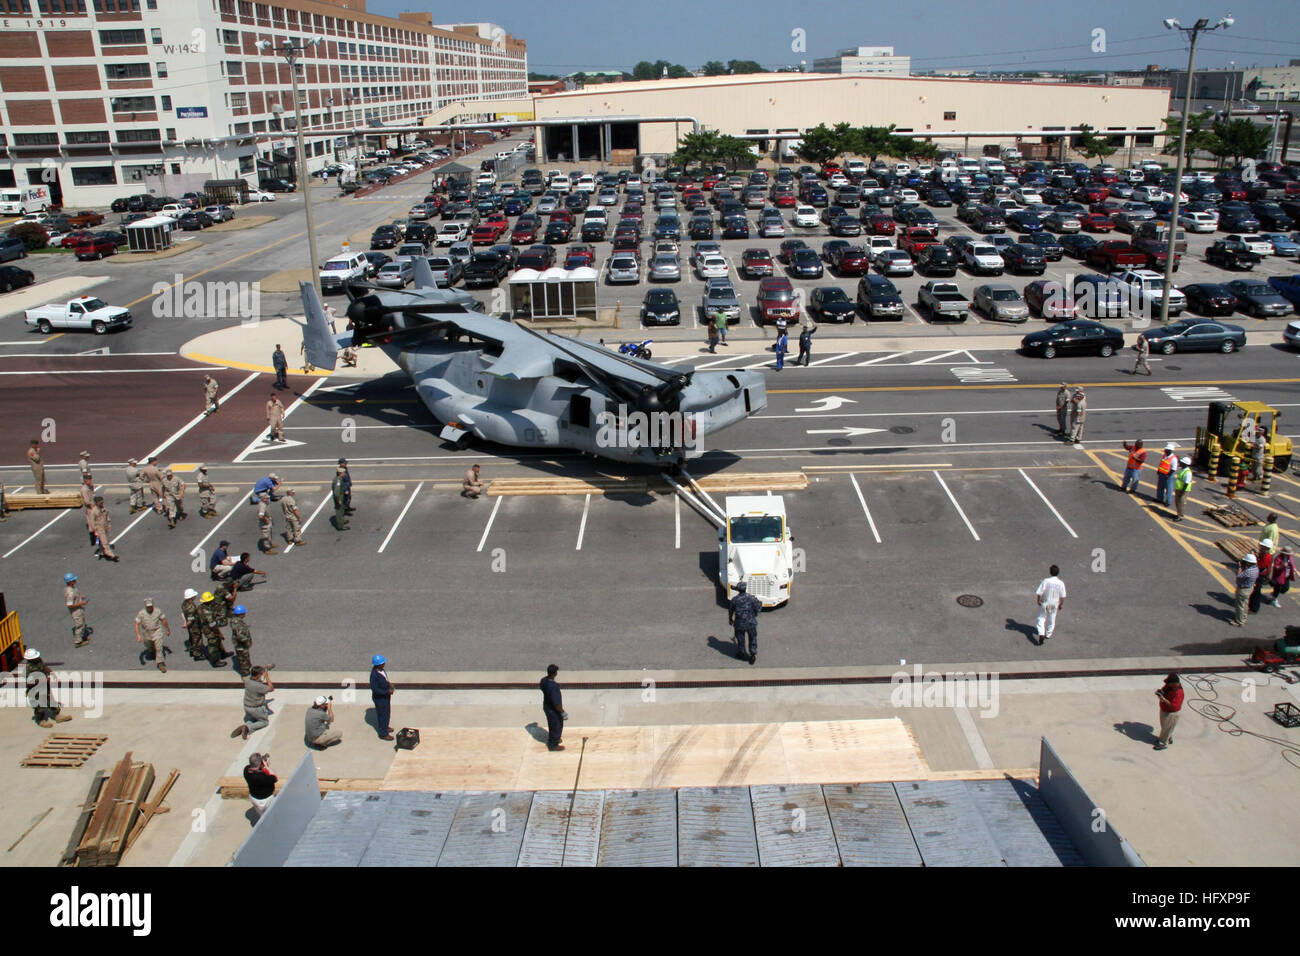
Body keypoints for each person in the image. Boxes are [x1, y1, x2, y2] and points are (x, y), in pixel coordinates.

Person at [24, 649, 73, 727]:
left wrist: (52, 673)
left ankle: (57, 716)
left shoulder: (38, 660)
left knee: (50, 700)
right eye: (35, 657)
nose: (38, 657)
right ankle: (40, 720)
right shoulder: (28, 668)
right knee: (39, 706)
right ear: (30, 659)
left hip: (44, 686)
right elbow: (29, 683)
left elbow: (44, 667)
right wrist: (43, 680)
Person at [232, 665, 273, 739]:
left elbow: (257, 681)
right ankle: (247, 728)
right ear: (258, 675)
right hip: (256, 708)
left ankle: (245, 727)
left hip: (247, 707)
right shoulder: (258, 686)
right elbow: (271, 688)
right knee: (264, 722)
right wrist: (267, 677)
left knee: (251, 719)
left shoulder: (247, 681)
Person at [728, 580, 762, 664]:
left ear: (738, 590)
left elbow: (731, 610)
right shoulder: (752, 598)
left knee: (740, 639)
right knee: (752, 638)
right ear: (745, 589)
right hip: (751, 623)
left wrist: (730, 619)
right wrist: (754, 613)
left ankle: (742, 653)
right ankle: (752, 654)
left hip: (739, 624)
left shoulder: (734, 600)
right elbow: (758, 608)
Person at [134, 598, 170, 673]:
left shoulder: (158, 611)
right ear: (145, 606)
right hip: (147, 633)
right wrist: (138, 635)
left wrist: (167, 629)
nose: (149, 608)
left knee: (159, 647)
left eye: (150, 606)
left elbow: (163, 620)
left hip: (157, 631)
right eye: (148, 606)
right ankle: (151, 651)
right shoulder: (141, 613)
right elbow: (137, 624)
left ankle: (160, 663)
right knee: (149, 645)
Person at [1035, 565, 1067, 644]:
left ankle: (1041, 633)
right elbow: (1063, 596)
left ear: (1050, 572)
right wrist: (1060, 605)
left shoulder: (1046, 581)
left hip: (1046, 602)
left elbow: (1039, 592)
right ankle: (1048, 634)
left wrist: (1038, 600)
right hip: (1054, 604)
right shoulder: (1061, 583)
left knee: (1041, 618)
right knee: (1051, 619)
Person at [1153, 674, 1184, 751]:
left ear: (1174, 683)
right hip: (1165, 710)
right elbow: (1164, 690)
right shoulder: (1169, 686)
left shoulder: (1178, 692)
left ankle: (1163, 743)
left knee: (1167, 728)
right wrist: (1160, 692)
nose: (1166, 684)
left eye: (1168, 683)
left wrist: (1163, 699)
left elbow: (1174, 706)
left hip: (1172, 713)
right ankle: (1168, 737)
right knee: (1165, 727)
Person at [540, 664, 567, 751]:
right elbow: (556, 703)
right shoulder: (553, 687)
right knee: (557, 725)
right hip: (553, 710)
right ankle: (553, 745)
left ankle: (554, 739)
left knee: (552, 724)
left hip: (547, 707)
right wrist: (562, 712)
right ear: (555, 673)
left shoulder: (544, 680)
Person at [198, 590, 229, 667]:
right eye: (210, 600)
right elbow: (213, 625)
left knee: (218, 641)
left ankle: (223, 654)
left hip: (206, 627)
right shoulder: (207, 612)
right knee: (213, 645)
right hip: (210, 631)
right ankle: (215, 661)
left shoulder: (200, 607)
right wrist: (219, 633)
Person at [244, 753, 277, 818]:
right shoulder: (261, 777)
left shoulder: (246, 770)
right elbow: (275, 777)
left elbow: (257, 769)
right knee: (272, 814)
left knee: (262, 816)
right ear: (260, 764)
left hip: (254, 799)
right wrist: (266, 766)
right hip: (266, 800)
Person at [370, 655, 394, 740]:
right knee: (382, 715)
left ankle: (385, 726)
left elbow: (385, 679)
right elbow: (375, 689)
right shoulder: (375, 675)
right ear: (378, 665)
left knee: (387, 713)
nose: (384, 664)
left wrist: (389, 684)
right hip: (380, 698)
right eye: (383, 663)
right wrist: (387, 691)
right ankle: (383, 733)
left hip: (385, 697)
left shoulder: (381, 670)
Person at [1231, 553, 1258, 627]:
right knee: (1245, 604)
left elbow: (1239, 577)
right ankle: (1243, 617)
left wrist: (1240, 568)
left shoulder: (1248, 571)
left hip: (1243, 589)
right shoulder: (1256, 569)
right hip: (1250, 588)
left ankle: (1239, 621)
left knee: (1239, 605)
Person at [64, 573, 91, 647]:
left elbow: (75, 597)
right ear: (70, 582)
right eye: (73, 580)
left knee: (82, 622)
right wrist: (82, 603)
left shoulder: (71, 588)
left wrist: (80, 597)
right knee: (79, 625)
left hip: (79, 609)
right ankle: (78, 642)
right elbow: (69, 605)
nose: (75, 580)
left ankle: (83, 636)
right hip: (76, 611)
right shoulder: (70, 592)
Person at [230, 604, 254, 677]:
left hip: (241, 644)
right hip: (241, 645)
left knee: (244, 658)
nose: (245, 614)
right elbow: (239, 635)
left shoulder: (235, 620)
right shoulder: (238, 623)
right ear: (240, 614)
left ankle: (247, 668)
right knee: (243, 659)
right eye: (244, 613)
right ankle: (245, 674)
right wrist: (247, 641)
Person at [92, 496, 118, 562]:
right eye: (100, 502)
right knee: (105, 542)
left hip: (105, 526)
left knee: (103, 540)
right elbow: (92, 522)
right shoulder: (94, 511)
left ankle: (102, 552)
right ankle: (112, 555)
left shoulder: (103, 508)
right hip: (99, 528)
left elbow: (107, 516)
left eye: (102, 501)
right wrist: (95, 531)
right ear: (97, 503)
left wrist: (109, 524)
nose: (102, 503)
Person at [180, 587, 203, 660]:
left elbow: (182, 613)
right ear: (192, 597)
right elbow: (191, 619)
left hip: (190, 626)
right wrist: (186, 624)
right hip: (194, 626)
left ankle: (192, 650)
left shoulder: (184, 604)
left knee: (192, 638)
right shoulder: (191, 607)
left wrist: (185, 622)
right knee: (197, 639)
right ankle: (197, 654)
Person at [1173, 456, 1193, 521]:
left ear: (1185, 464)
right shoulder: (1182, 469)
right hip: (1179, 489)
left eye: (1182, 462)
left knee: (1181, 503)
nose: (1180, 463)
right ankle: (1178, 514)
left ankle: (1180, 516)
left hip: (1183, 490)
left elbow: (1186, 483)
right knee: (1177, 502)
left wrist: (1182, 491)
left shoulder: (1188, 472)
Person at [79, 477, 96, 546]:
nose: (91, 481)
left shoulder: (89, 487)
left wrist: (92, 486)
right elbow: (86, 501)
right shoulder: (84, 489)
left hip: (93, 506)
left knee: (93, 523)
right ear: (86, 481)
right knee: (92, 525)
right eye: (89, 480)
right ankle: (93, 540)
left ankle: (94, 539)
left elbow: (92, 494)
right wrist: (93, 508)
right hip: (90, 508)